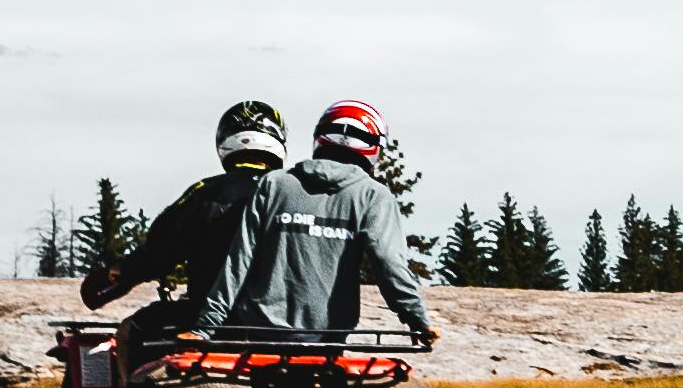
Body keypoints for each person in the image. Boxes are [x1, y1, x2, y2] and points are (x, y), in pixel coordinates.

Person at [86, 102, 440, 349]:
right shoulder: (362, 195)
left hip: (245, 325)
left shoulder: (254, 189)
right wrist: (417, 320)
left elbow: (228, 259)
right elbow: (389, 262)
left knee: (131, 333)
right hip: (327, 336)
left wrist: (205, 326)